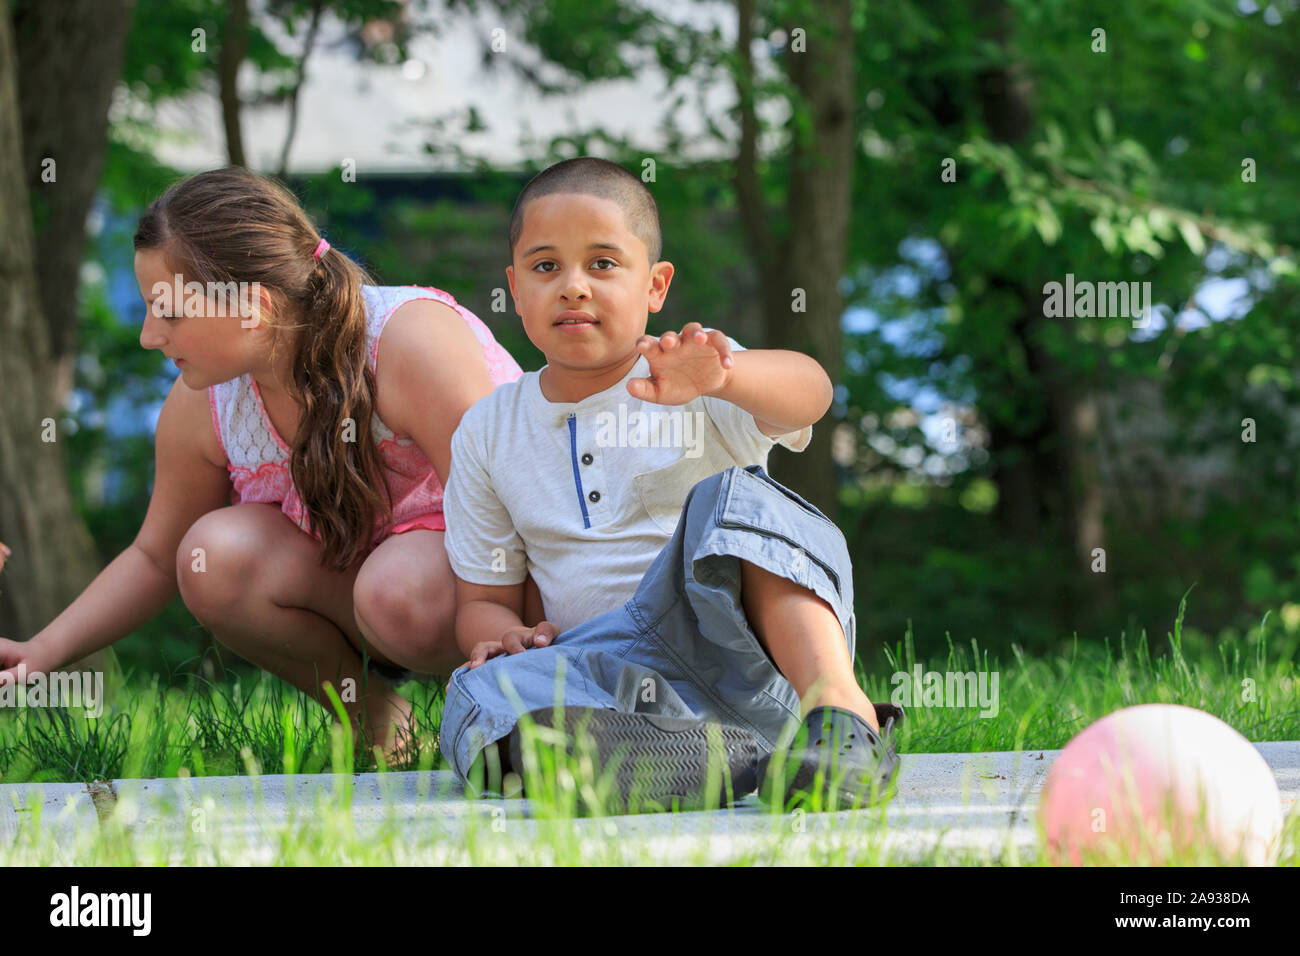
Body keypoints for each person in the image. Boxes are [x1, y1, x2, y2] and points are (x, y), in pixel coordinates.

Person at [0, 167, 540, 766]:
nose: (150, 336)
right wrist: (42, 650)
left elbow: (515, 512)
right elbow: (155, 556)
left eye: (168, 312)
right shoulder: (205, 403)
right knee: (213, 556)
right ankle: (383, 725)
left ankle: (516, 711)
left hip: (475, 588)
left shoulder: (407, 343)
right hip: (367, 593)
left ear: (252, 307)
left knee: (397, 587)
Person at [440, 157, 902, 811]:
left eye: (602, 264)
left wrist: (724, 378)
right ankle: (685, 760)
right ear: (515, 288)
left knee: (733, 497)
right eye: (546, 267)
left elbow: (811, 392)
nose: (573, 287)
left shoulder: (692, 372)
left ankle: (842, 721)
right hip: (603, 678)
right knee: (473, 688)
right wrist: (498, 636)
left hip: (744, 652)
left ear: (655, 286)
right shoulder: (488, 428)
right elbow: (482, 599)